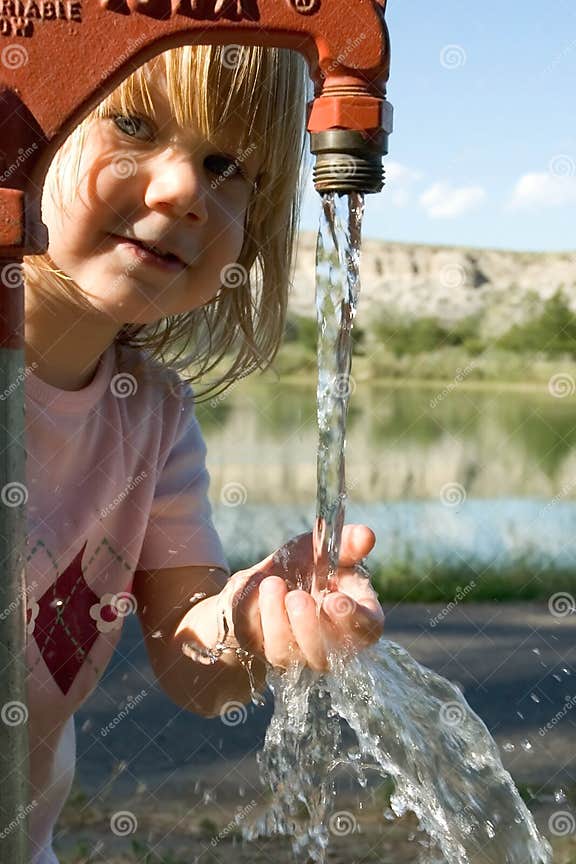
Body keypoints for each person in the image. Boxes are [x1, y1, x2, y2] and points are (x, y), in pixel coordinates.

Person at [20, 42, 385, 864]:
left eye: (226, 165)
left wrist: (251, 619)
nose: (185, 190)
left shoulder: (150, 416)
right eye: (132, 124)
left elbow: (193, 660)